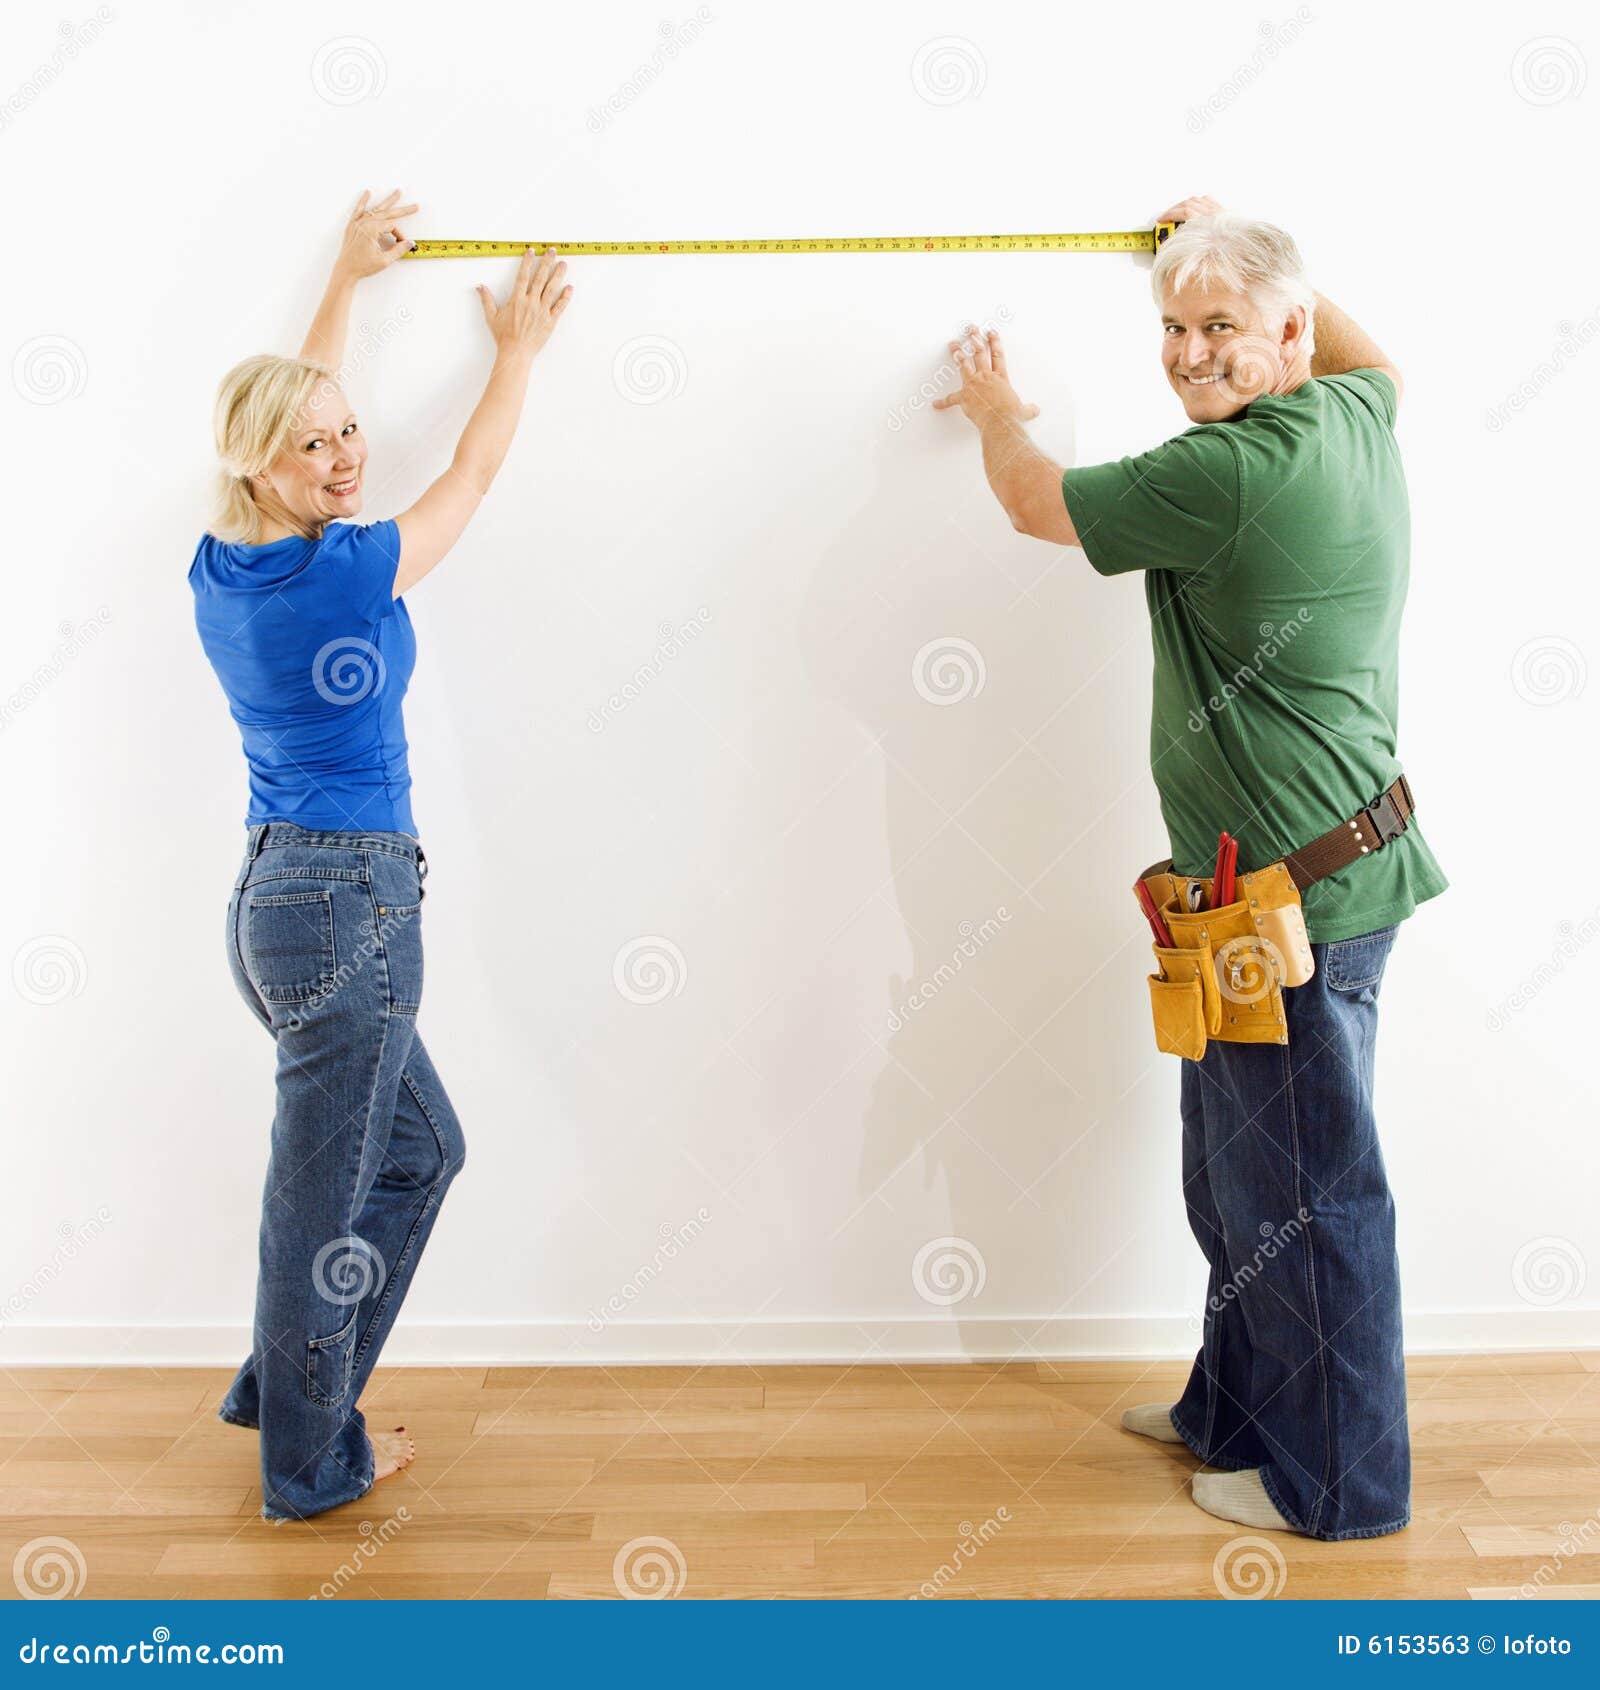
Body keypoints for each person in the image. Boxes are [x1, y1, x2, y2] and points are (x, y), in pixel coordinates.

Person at [933, 194, 1447, 1541]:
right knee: (1236, 1177)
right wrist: (1240, 244)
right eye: (1172, 326)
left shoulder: (1226, 473)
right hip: (1260, 896)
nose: (1190, 352)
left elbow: (1038, 504)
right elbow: (1376, 362)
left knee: (1309, 1193)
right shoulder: (1353, 412)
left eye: (1222, 325)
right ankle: (1234, 1407)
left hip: (1301, 906)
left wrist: (992, 402)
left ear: (1288, 328)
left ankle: (1337, 1485)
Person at [188, 190, 573, 1521]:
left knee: (417, 1149)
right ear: (261, 466)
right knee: (325, 1204)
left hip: (279, 900)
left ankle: (279, 1387)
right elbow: (468, 478)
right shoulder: (344, 574)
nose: (346, 454)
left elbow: (295, 404)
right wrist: (515, 354)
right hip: (346, 909)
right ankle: (310, 1461)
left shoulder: (224, 560)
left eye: (348, 434)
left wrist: (348, 277)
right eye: (317, 448)